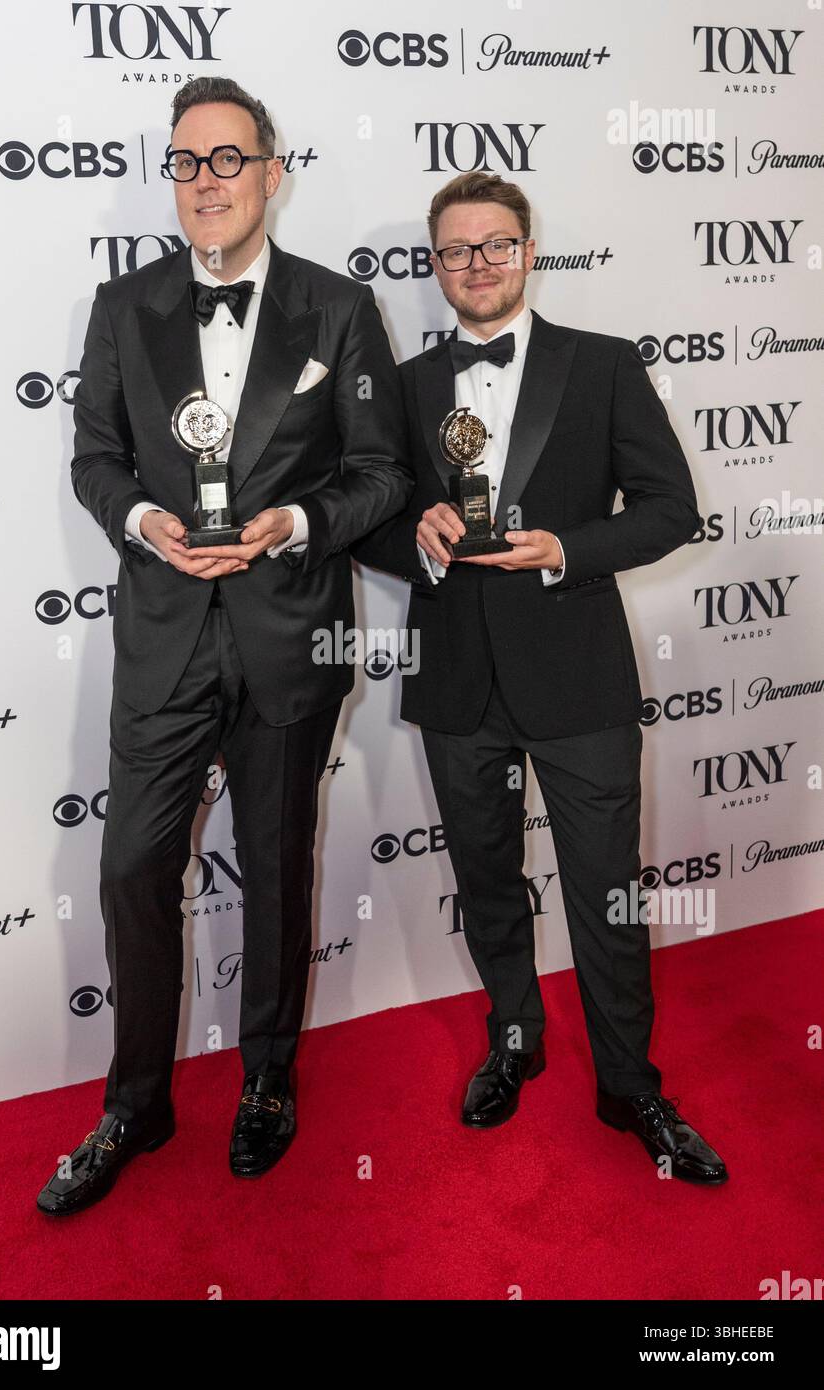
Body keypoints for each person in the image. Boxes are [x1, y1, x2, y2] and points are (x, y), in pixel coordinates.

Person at [36, 77, 411, 1214]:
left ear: (272, 171)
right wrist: (144, 521)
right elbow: (95, 456)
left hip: (289, 633)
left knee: (280, 868)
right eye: (188, 163)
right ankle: (135, 1101)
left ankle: (267, 1079)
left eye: (228, 160)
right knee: (128, 870)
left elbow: (382, 472)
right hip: (162, 640)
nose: (207, 182)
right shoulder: (121, 306)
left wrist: (294, 523)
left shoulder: (337, 309)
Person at [352, 172, 727, 1184]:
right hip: (456, 677)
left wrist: (568, 545)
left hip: (578, 674)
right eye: (456, 251)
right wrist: (417, 538)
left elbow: (669, 509)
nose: (477, 265)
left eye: (496, 245)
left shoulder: (602, 365)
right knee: (485, 880)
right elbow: (372, 515)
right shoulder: (407, 382)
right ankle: (514, 1036)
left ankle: (628, 1082)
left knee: (607, 890)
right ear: (436, 266)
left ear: (530, 249)